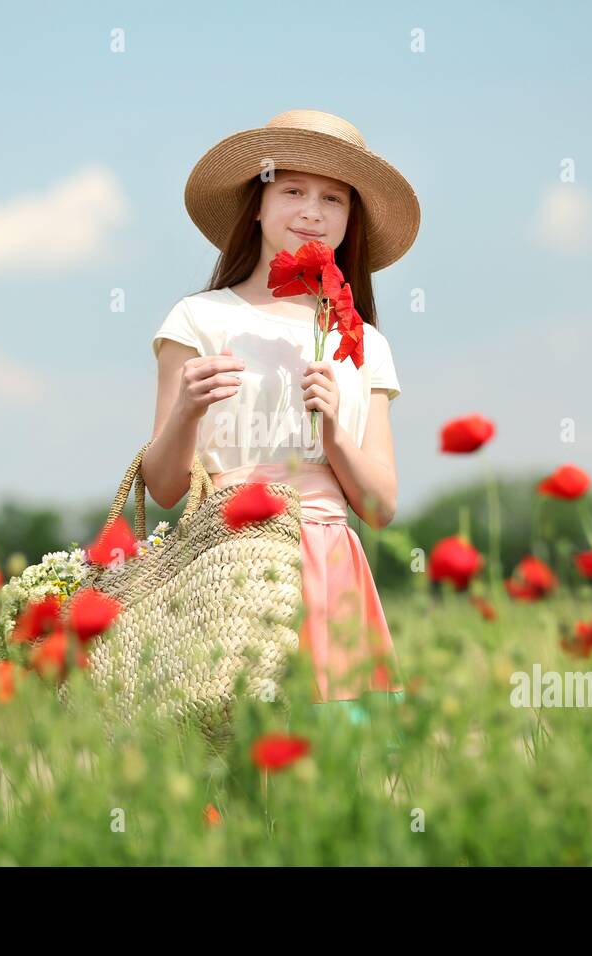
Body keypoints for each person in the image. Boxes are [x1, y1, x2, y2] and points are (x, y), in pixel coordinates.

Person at [144, 109, 420, 729]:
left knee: (331, 777)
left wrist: (334, 438)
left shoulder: (364, 342)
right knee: (232, 760)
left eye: (333, 198)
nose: (311, 211)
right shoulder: (197, 320)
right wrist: (187, 409)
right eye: (292, 189)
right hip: (226, 563)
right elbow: (164, 488)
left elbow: (380, 507)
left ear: (352, 221)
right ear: (258, 205)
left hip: (330, 567)